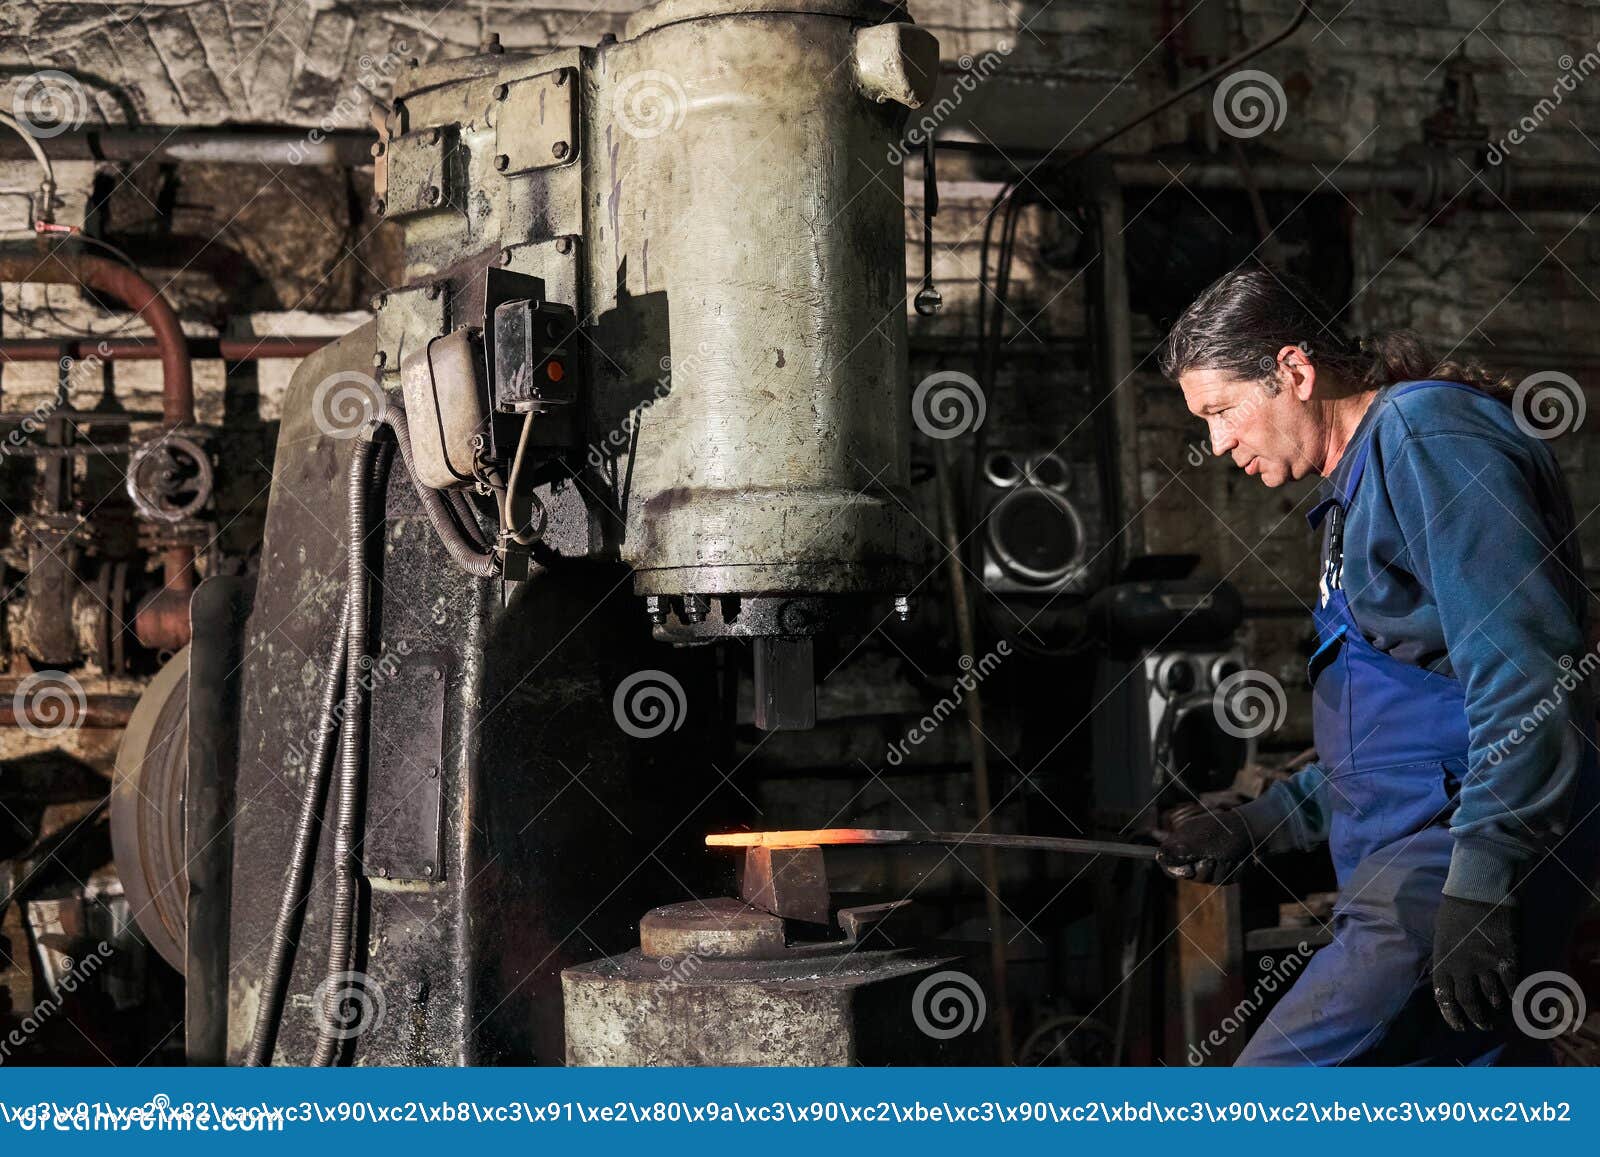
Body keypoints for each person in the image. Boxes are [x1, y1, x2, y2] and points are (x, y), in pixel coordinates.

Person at [1155, 266, 1600, 1065]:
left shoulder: (1427, 438)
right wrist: (1266, 820)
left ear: (1293, 370)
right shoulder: (1356, 489)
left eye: (1222, 411)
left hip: (1446, 869)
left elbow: (1530, 674)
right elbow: (1407, 738)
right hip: (1418, 862)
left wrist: (1481, 880)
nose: (1216, 442)